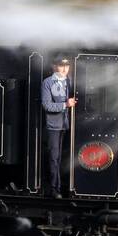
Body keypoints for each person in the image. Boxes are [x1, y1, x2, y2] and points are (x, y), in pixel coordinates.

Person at [41, 57, 77, 196]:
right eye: (61, 66)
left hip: (67, 125)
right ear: (54, 66)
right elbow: (47, 105)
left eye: (67, 66)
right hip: (54, 126)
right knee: (54, 158)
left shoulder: (70, 81)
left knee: (64, 158)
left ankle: (66, 186)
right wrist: (65, 105)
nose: (64, 69)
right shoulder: (47, 83)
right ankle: (54, 188)